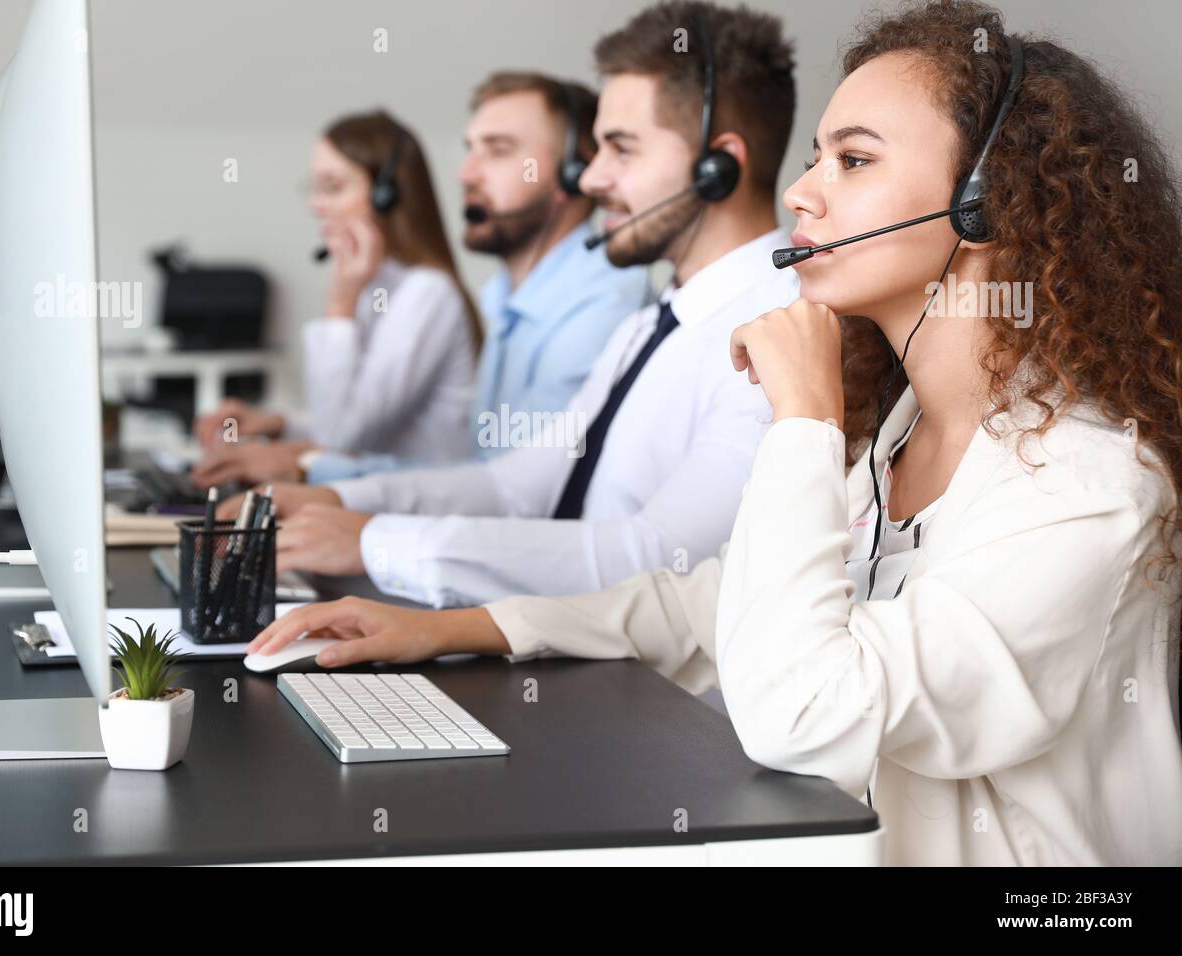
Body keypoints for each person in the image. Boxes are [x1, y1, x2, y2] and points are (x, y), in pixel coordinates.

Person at [247, 0, 1182, 867]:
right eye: (816, 158)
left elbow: (805, 711)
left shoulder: (1088, 478)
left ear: (986, 203)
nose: (802, 196)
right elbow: (716, 603)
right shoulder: (898, 435)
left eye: (852, 162)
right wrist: (457, 628)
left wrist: (805, 420)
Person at [228, 1, 800, 609]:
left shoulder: (779, 329)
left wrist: (375, 542)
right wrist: (342, 502)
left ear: (719, 167)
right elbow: (519, 485)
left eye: (622, 149)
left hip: (659, 697)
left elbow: (657, 557)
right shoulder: (654, 323)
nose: (589, 179)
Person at [190, 110, 481, 487]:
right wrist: (277, 424)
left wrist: (339, 304)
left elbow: (342, 436)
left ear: (385, 195)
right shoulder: (379, 286)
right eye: (313, 187)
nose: (315, 204)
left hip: (419, 517)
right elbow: (358, 415)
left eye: (332, 186)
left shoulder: (426, 292)